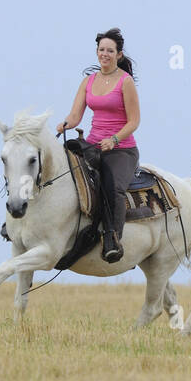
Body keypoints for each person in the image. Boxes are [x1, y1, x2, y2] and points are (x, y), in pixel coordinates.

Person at [55, 28, 141, 263]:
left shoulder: (126, 82)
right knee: (62, 172)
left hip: (122, 149)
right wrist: (64, 125)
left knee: (114, 188)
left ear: (119, 55)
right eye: (101, 49)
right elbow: (75, 116)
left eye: (110, 51)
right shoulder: (88, 81)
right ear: (97, 52)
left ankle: (113, 238)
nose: (105, 54)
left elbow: (134, 121)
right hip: (93, 144)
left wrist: (114, 140)